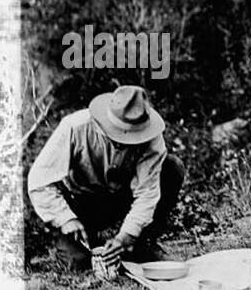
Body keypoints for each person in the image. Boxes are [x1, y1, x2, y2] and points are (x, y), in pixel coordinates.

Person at [27, 85, 185, 271]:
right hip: (81, 202)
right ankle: (84, 242)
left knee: (173, 168)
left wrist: (126, 236)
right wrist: (66, 219)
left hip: (122, 197)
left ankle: (142, 244)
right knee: (77, 262)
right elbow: (39, 181)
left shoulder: (151, 139)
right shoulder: (75, 127)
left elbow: (147, 194)